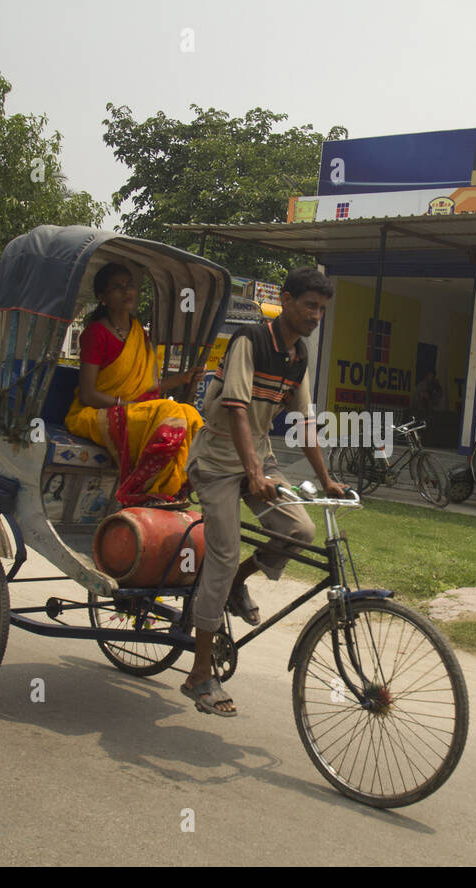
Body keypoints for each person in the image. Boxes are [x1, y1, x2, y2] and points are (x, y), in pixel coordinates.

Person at [180, 267, 346, 716]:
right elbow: (234, 408)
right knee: (223, 553)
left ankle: (239, 583)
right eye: (310, 305)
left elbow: (304, 421)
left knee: (300, 530)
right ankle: (198, 675)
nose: (316, 316)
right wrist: (251, 472)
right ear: (287, 301)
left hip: (259, 457)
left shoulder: (299, 357)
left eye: (322, 309)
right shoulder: (249, 342)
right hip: (217, 460)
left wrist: (326, 478)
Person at [64, 262, 205, 504]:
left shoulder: (139, 332)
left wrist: (183, 379)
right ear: (102, 297)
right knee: (171, 412)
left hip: (137, 410)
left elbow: (147, 387)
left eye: (129, 285)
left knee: (190, 414)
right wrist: (124, 403)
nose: (126, 291)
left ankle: (175, 488)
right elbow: (88, 395)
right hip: (96, 412)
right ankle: (146, 490)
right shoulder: (95, 334)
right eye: (117, 287)